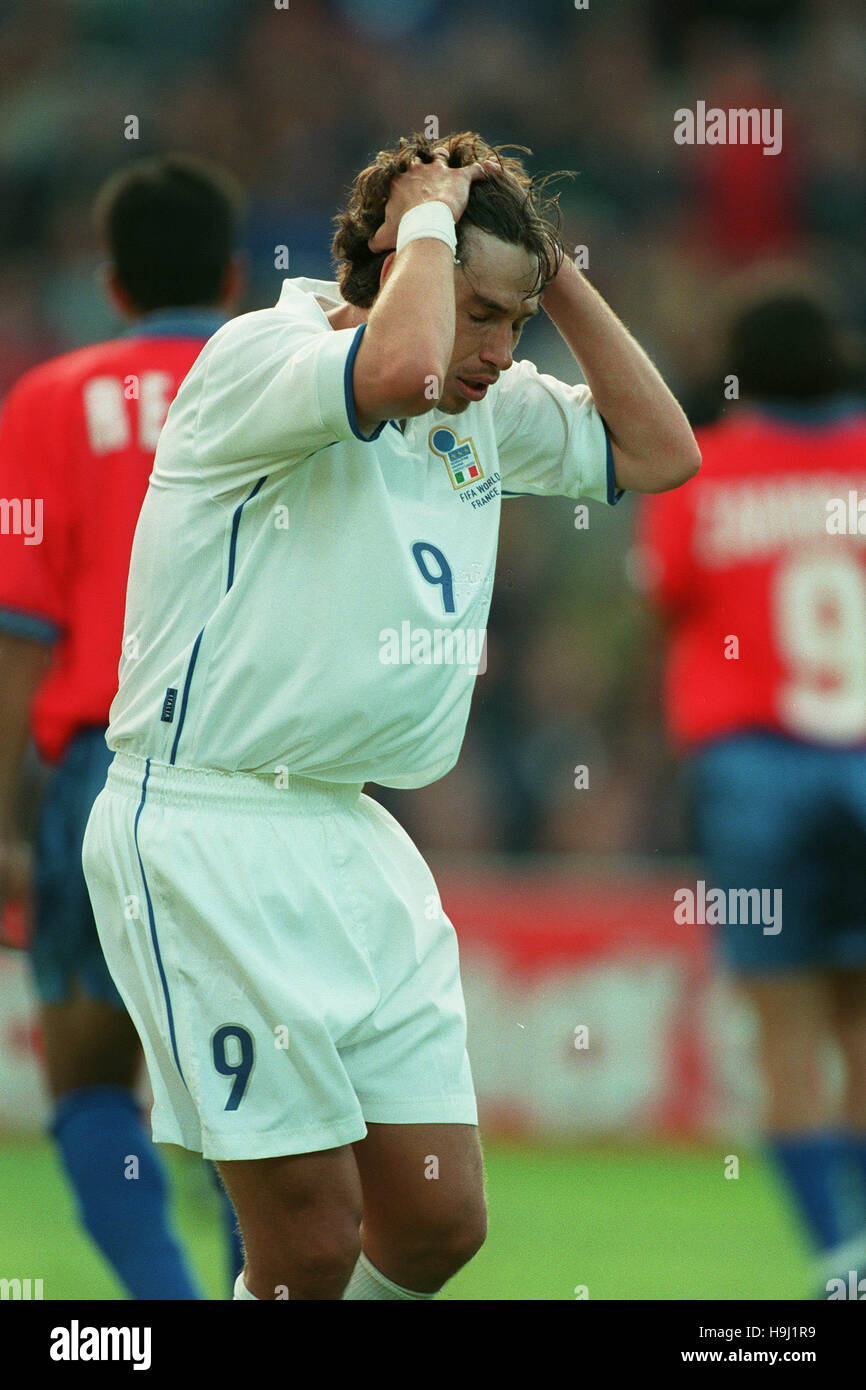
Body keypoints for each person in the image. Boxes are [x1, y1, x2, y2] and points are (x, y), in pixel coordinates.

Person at [81, 130, 699, 1301]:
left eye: (514, 320)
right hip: (208, 824)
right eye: (480, 312)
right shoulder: (259, 354)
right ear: (391, 251)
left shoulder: (482, 402)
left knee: (433, 1225)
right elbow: (398, 367)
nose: (497, 352)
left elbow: (660, 451)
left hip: (353, 840)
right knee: (306, 1244)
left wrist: (546, 265)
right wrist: (428, 220)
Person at [0, 154, 246, 1298]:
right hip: (264, 765)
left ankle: (165, 1306)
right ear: (236, 276)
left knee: (92, 1071)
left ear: (111, 285)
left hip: (100, 765)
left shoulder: (50, 400)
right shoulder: (287, 382)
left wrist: (9, 813)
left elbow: (19, 629)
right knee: (268, 1078)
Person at [638, 279, 866, 1298]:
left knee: (782, 1037)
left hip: (750, 776)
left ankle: (834, 1259)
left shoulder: (701, 465)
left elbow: (665, 597)